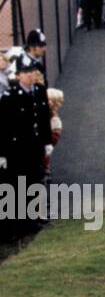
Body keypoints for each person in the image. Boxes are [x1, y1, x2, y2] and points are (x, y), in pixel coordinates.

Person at [0, 54, 53, 242]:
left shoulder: (38, 90)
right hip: (17, 149)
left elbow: (43, 118)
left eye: (32, 72)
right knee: (17, 186)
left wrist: (47, 142)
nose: (30, 75)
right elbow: (4, 126)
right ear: (19, 75)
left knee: (34, 182)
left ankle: (32, 221)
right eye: (26, 72)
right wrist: (2, 153)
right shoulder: (10, 96)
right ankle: (17, 226)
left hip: (35, 146)